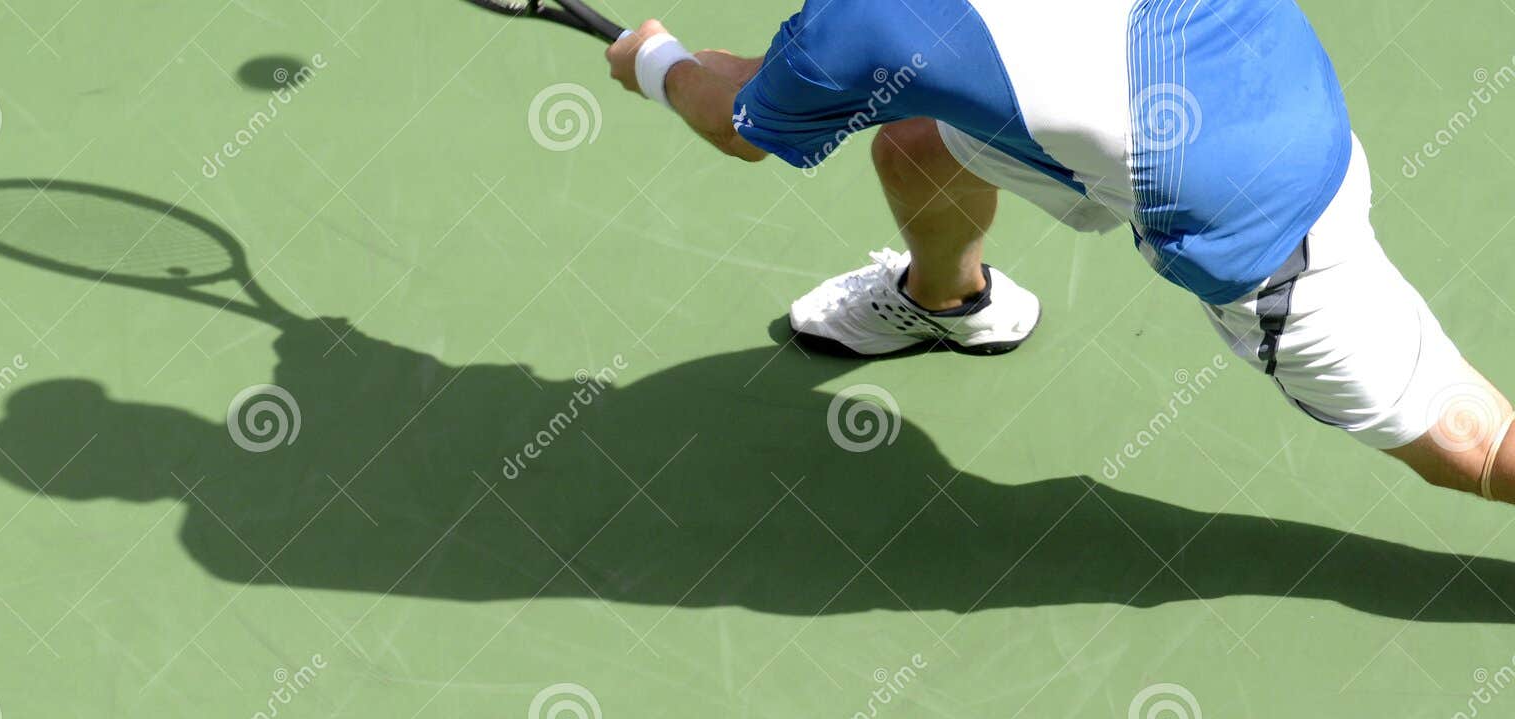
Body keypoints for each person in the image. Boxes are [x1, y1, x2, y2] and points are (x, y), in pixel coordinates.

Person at [604, 0, 1515, 504]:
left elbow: (740, 123)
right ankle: (948, 299)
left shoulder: (858, 29)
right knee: (916, 140)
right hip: (1244, 62)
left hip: (1267, 214)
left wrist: (655, 60)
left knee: (1471, 442)